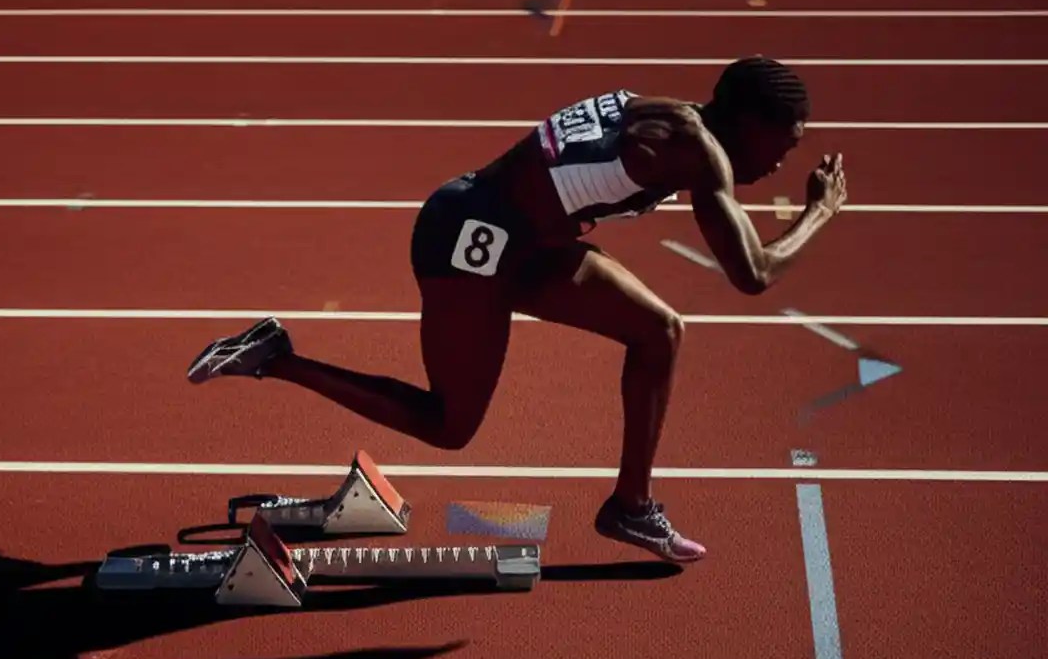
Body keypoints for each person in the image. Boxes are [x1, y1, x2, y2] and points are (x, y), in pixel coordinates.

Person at [186, 56, 848, 564]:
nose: (785, 159)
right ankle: (277, 357)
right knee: (448, 425)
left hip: (523, 243)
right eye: (784, 143)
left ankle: (631, 507)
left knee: (659, 331)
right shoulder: (694, 152)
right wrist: (821, 210)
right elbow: (753, 275)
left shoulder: (672, 113)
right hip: (468, 242)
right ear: (748, 123)